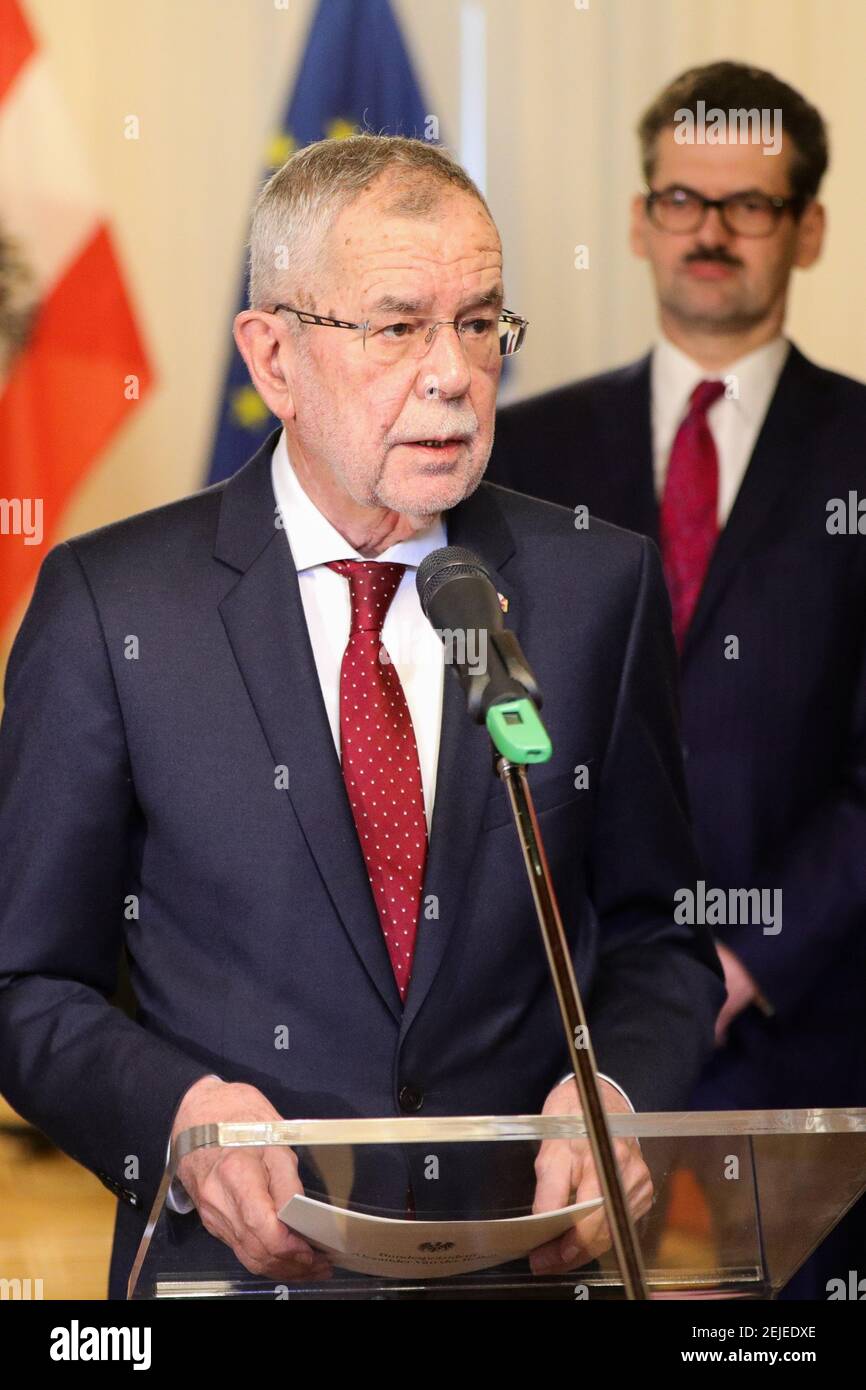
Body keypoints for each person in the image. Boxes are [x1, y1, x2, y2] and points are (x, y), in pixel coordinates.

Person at [0, 134, 722, 1300]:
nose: (452, 373)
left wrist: (614, 1102)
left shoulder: (593, 587)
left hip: (522, 1270)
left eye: (481, 324)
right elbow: (23, 984)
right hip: (235, 1277)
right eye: (398, 327)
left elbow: (654, 941)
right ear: (273, 357)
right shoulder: (114, 605)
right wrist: (179, 1119)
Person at [488, 63, 866, 1293]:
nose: (707, 231)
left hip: (811, 1034)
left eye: (746, 206)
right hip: (559, 1036)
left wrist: (741, 959)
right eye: (680, 199)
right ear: (641, 217)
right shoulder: (519, 448)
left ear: (805, 228)